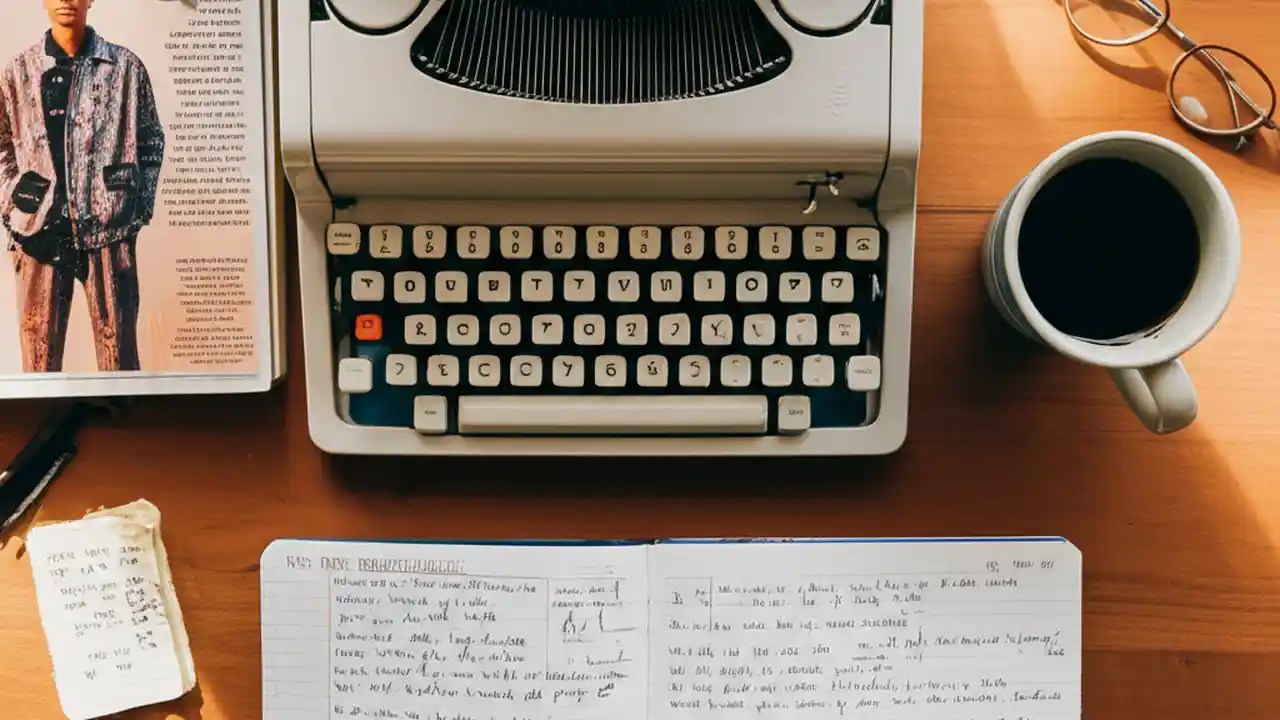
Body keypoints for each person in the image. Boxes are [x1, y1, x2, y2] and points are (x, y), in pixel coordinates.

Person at [0, 0, 164, 373]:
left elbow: (151, 141)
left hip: (108, 231)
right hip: (38, 235)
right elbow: (2, 142)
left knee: (120, 363)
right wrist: (13, 203)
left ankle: (124, 431)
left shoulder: (126, 68)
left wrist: (134, 207)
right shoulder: (18, 72)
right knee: (38, 368)